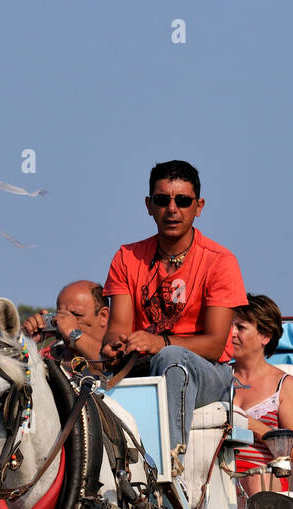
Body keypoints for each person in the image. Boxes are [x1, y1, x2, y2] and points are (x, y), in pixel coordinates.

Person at [101, 159, 246, 464]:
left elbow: (215, 344)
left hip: (208, 374)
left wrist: (161, 343)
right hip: (143, 365)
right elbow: (118, 328)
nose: (172, 209)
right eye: (162, 200)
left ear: (198, 206)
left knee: (171, 359)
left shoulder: (220, 261)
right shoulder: (126, 257)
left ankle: (168, 466)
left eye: (182, 201)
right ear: (148, 205)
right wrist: (115, 345)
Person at [229, 294, 293, 509]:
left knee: (256, 480)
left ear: (265, 336)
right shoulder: (219, 378)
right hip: (220, 474)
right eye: (230, 325)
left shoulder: (284, 385)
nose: (231, 333)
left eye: (240, 327)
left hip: (262, 477)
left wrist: (253, 425)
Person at [22, 281, 110, 368]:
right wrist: (23, 340)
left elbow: (111, 366)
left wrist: (74, 335)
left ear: (103, 316)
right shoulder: (49, 356)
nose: (63, 322)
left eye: (76, 315)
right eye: (60, 315)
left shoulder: (117, 350)